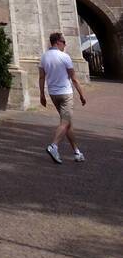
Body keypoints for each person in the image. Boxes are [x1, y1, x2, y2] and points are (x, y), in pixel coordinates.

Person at [39, 32, 86, 163]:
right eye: (64, 42)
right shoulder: (65, 57)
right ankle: (54, 146)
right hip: (65, 93)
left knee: (67, 123)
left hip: (53, 94)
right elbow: (74, 78)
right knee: (65, 123)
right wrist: (82, 95)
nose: (65, 45)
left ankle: (77, 152)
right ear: (58, 42)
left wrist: (42, 94)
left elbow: (41, 77)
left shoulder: (44, 57)